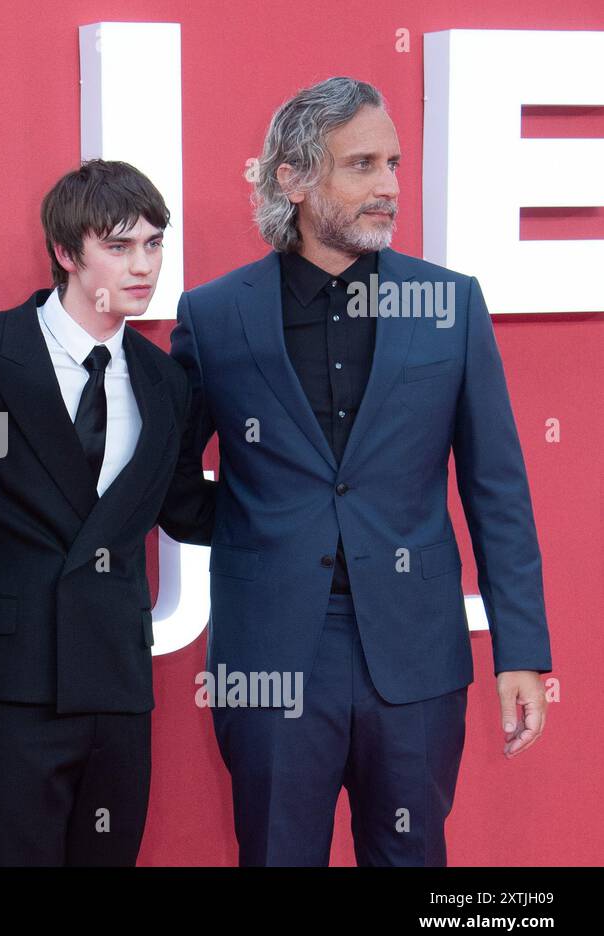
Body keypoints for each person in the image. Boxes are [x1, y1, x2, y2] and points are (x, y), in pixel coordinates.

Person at [171, 76, 552, 866]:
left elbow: (497, 490)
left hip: (413, 653)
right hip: (272, 658)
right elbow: (173, 483)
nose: (389, 187)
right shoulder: (215, 315)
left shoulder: (449, 304)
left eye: (395, 164)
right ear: (295, 178)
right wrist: (260, 529)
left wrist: (521, 652)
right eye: (363, 165)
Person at [0, 160, 217, 866]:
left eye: (153, 243)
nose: (143, 266)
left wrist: (295, 507)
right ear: (65, 253)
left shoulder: (164, 382)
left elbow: (182, 509)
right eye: (119, 247)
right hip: (7, 682)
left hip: (114, 684)